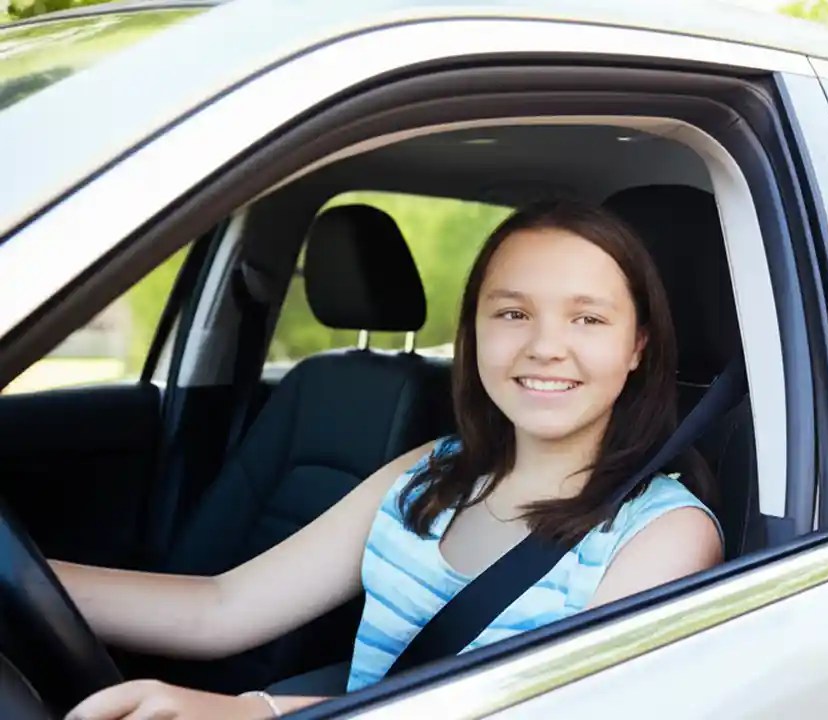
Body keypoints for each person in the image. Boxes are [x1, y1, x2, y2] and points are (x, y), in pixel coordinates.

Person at [59, 200, 724, 720]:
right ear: (473, 331)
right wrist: (31, 579)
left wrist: (260, 711)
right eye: (513, 313)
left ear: (638, 346)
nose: (546, 346)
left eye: (588, 320)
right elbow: (221, 607)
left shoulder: (663, 534)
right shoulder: (429, 474)